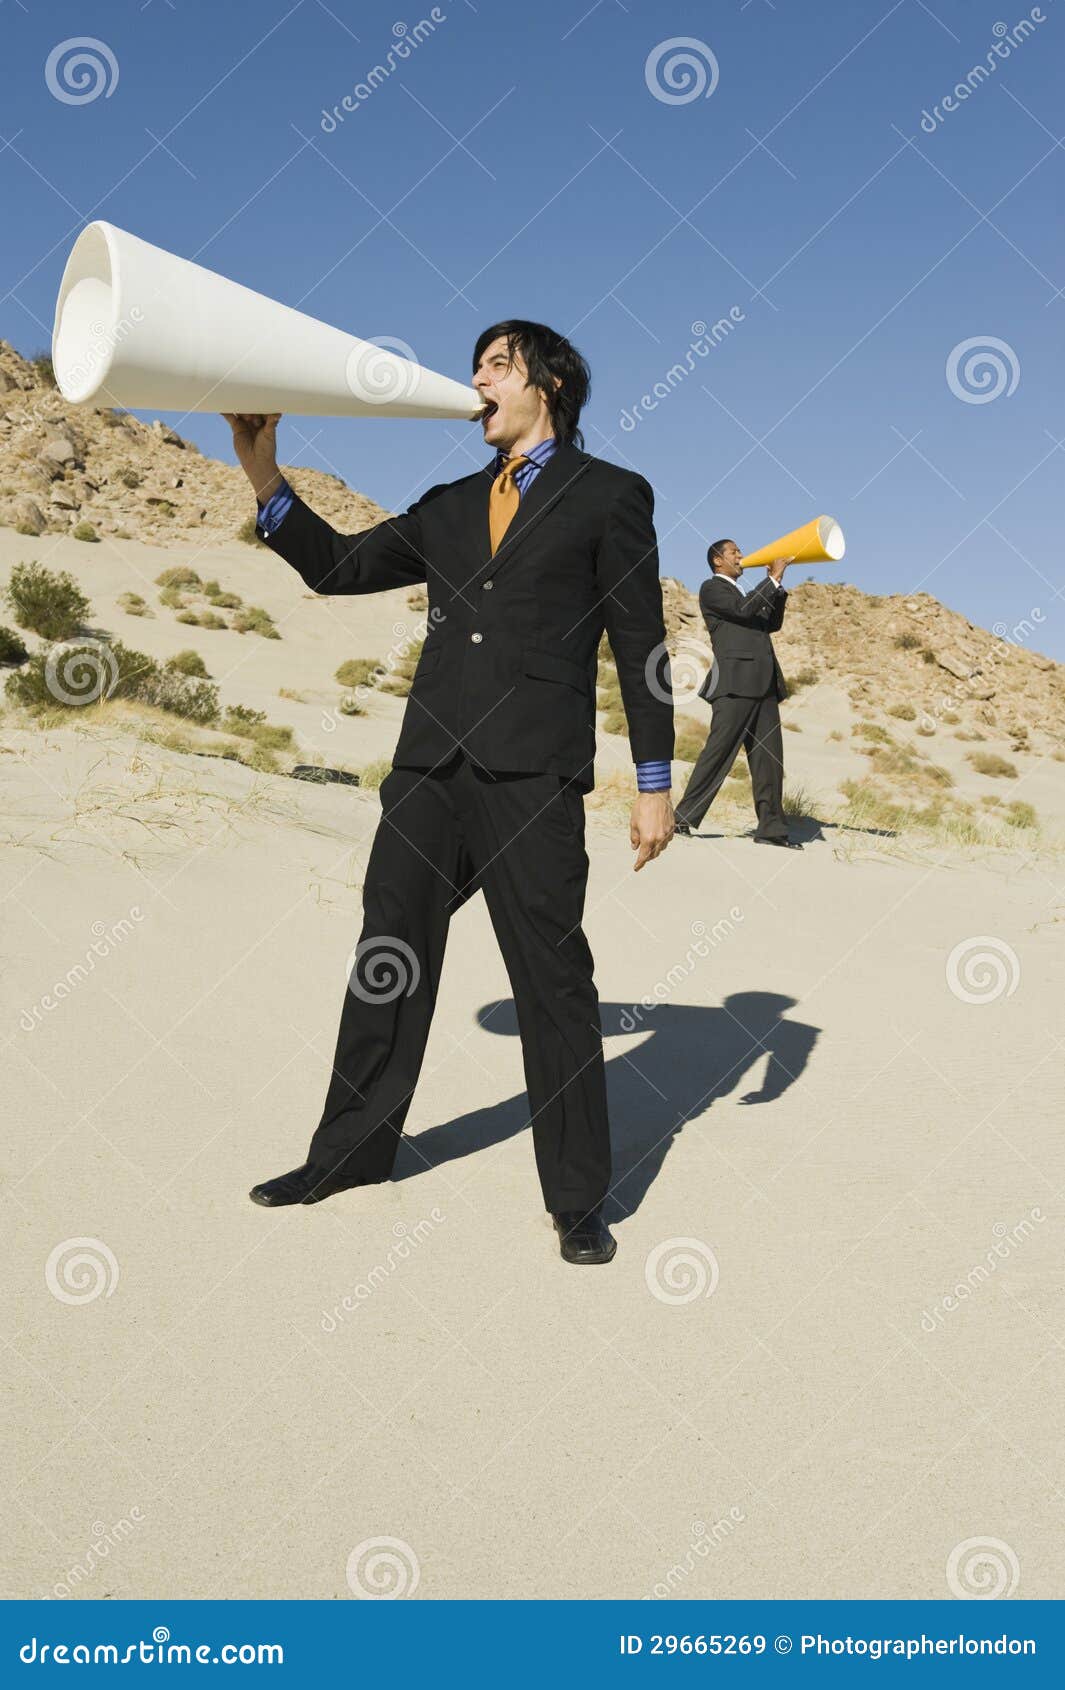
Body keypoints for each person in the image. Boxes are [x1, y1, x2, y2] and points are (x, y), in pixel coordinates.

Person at [223, 320, 675, 1265]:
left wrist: (652, 781)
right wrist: (264, 472)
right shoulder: (449, 503)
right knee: (386, 953)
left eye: (495, 365)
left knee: (551, 981)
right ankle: (347, 1155)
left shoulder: (611, 496)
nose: (475, 380)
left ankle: (577, 1200)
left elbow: (641, 648)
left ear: (546, 383)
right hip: (429, 769)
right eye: (475, 366)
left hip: (531, 776)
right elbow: (337, 568)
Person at [673, 538, 800, 849]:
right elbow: (743, 611)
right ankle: (681, 818)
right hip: (734, 686)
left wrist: (777, 590)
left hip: (764, 686)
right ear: (718, 561)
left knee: (770, 761)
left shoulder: (747, 594)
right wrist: (772, 579)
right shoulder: (712, 588)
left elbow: (771, 623)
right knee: (718, 753)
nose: (741, 556)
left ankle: (771, 829)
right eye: (734, 552)